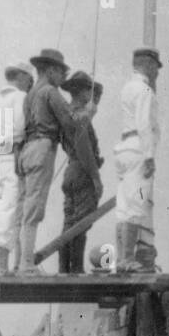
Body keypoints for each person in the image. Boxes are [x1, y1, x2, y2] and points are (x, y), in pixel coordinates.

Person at [17, 48, 102, 273]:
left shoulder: (30, 95)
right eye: (60, 71)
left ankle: (23, 261)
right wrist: (89, 114)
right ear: (51, 70)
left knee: (26, 208)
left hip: (28, 149)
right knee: (35, 209)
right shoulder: (50, 92)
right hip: (43, 147)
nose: (61, 77)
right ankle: (27, 264)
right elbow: (71, 124)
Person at [114, 47, 162, 272]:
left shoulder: (127, 88)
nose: (157, 73)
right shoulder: (144, 90)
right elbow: (144, 124)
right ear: (149, 65)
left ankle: (123, 257)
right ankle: (126, 258)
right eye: (156, 68)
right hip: (138, 149)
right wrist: (150, 155)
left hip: (124, 148)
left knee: (124, 204)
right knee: (136, 203)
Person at [0, 61, 34, 274]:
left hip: (2, 155)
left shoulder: (1, 100)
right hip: (15, 154)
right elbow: (25, 127)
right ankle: (4, 260)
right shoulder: (20, 98)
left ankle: (1, 258)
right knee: (13, 206)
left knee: (5, 203)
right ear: (22, 77)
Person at [58, 71, 104, 274]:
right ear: (81, 90)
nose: (91, 94)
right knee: (82, 222)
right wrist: (96, 177)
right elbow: (84, 148)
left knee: (69, 221)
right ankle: (75, 268)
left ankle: (64, 268)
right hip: (82, 170)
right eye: (88, 90)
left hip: (70, 170)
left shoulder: (67, 113)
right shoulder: (81, 116)